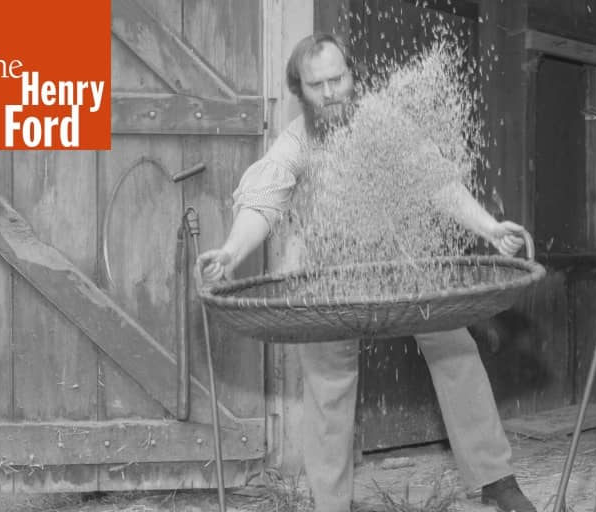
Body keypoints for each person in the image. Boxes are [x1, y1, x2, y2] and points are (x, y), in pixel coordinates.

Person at [197, 33, 538, 512]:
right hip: (326, 274)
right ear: (301, 90)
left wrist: (488, 227)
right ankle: (330, 505)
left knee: (455, 348)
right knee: (328, 384)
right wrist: (231, 252)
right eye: (318, 85)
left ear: (352, 76)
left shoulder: (385, 121)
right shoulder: (295, 141)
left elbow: (435, 179)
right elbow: (263, 199)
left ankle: (496, 480)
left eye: (338, 78)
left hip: (400, 262)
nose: (331, 91)